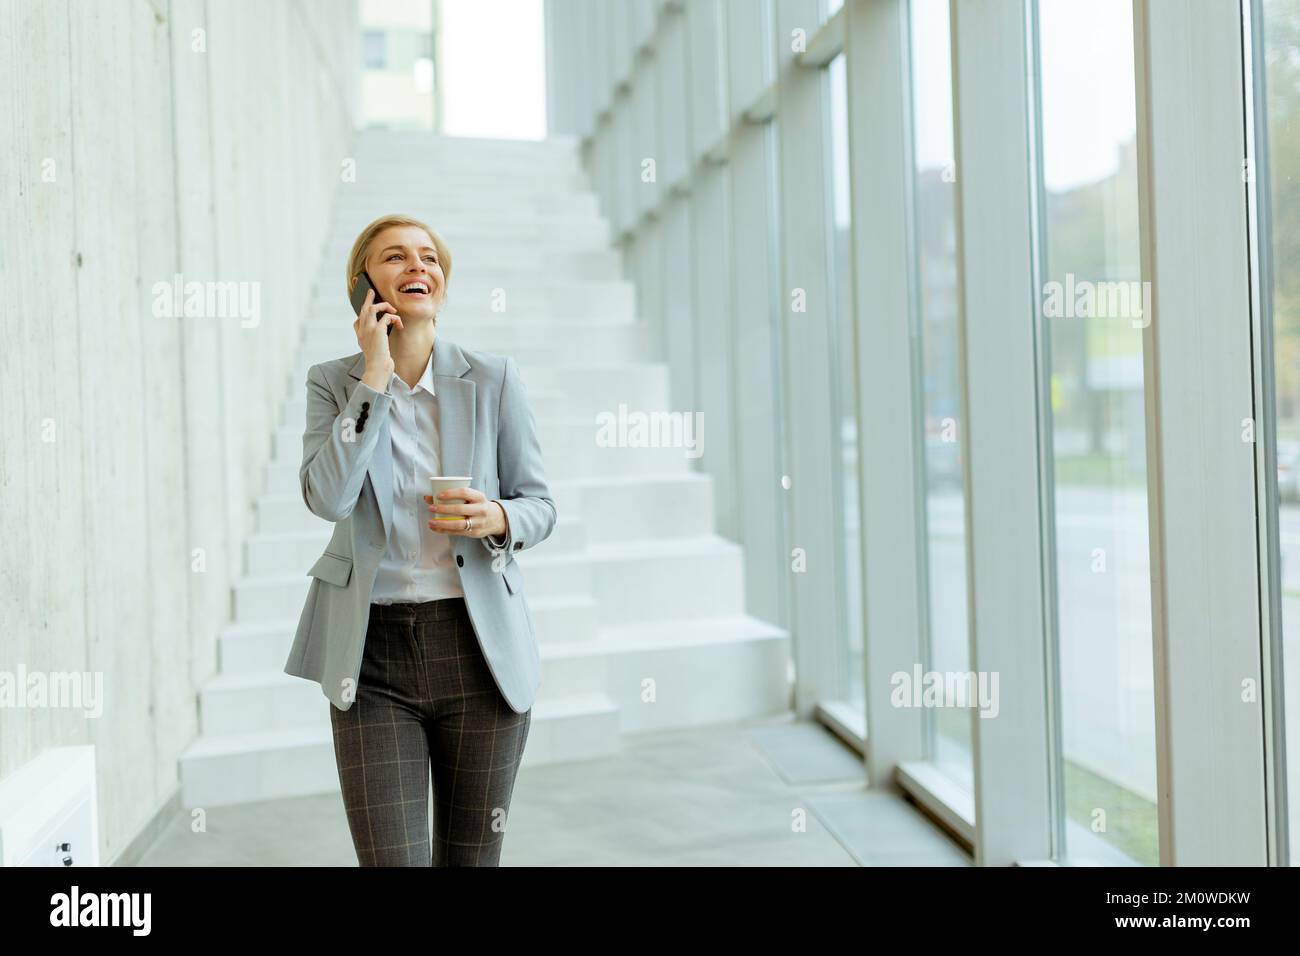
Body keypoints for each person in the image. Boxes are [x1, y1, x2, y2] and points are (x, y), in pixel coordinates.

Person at [283, 213, 557, 866]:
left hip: (477, 649)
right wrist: (373, 379)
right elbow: (328, 497)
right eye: (396, 257)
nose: (417, 267)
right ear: (362, 289)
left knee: (471, 859)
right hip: (372, 657)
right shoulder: (335, 383)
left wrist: (495, 517)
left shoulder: (493, 379)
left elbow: (540, 506)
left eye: (429, 258)